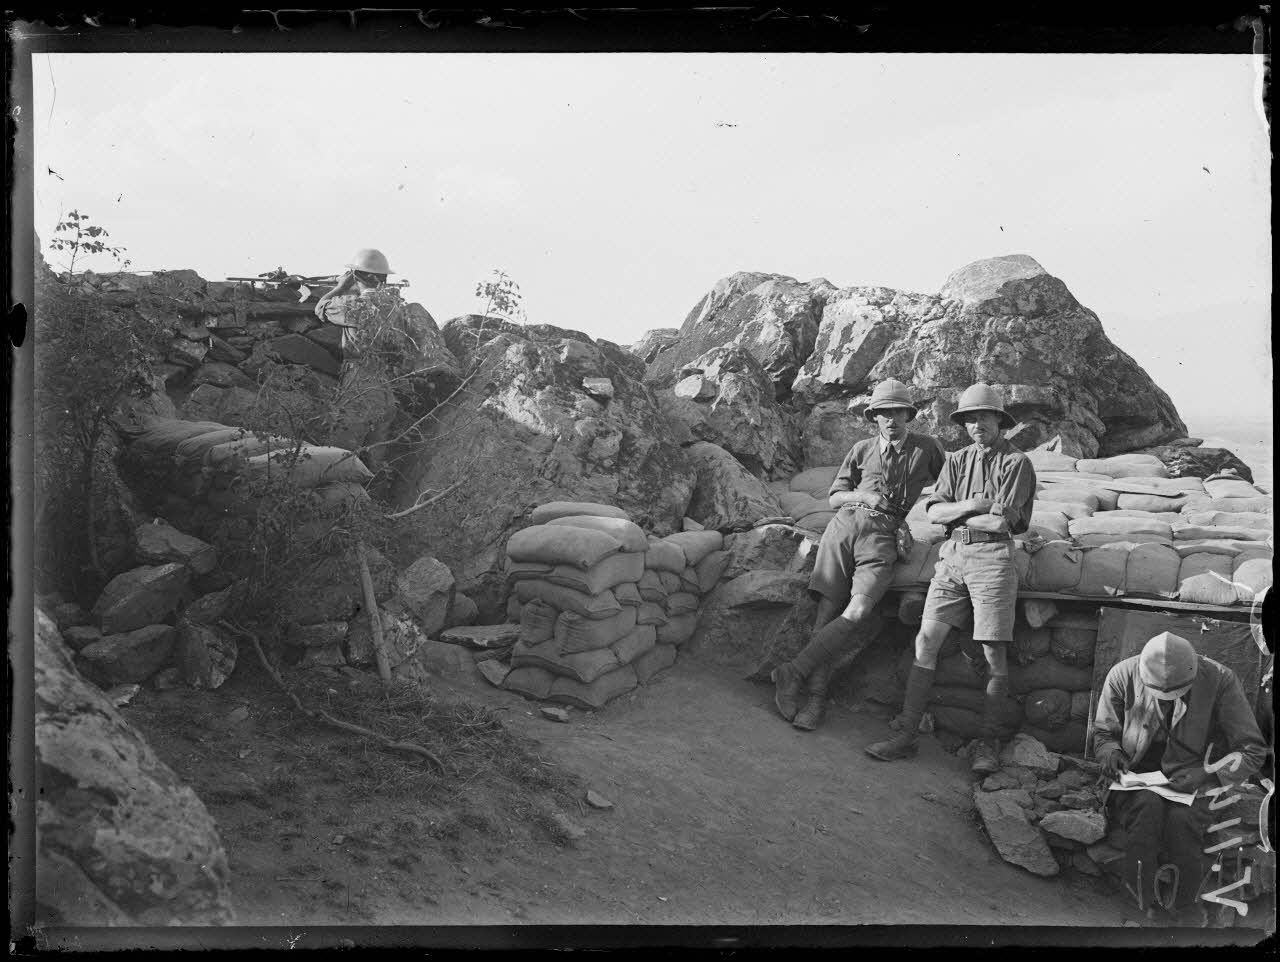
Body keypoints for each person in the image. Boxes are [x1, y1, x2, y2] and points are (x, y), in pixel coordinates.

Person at [864, 383, 1036, 773]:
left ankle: (987, 742)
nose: (978, 425)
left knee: (993, 651)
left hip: (993, 557)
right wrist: (973, 504)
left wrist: (957, 511)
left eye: (985, 418)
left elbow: (1001, 521)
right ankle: (906, 733)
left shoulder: (1016, 463)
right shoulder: (956, 461)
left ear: (1000, 421)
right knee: (926, 640)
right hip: (953, 556)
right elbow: (934, 513)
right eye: (970, 419)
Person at [771, 379, 946, 731]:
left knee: (859, 610)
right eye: (884, 413)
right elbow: (835, 497)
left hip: (882, 538)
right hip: (844, 528)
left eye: (897, 412)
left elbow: (951, 485)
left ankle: (792, 672)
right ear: (875, 417)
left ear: (908, 415)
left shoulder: (927, 448)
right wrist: (865, 497)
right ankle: (814, 701)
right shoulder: (862, 448)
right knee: (824, 615)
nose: (891, 419)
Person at [1091, 631, 1267, 927]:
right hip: (1138, 777)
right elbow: (1103, 734)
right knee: (1146, 812)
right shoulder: (1122, 674)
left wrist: (1208, 773)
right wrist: (1111, 753)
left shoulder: (1220, 680)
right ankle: (1140, 905)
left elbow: (1251, 750)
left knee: (1182, 822)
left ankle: (1185, 909)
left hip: (1196, 779)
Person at [312, 249, 402, 477]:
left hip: (360, 384)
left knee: (337, 455)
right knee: (375, 463)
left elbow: (321, 307)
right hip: (385, 388)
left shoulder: (355, 305)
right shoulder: (394, 304)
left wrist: (341, 286)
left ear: (357, 276)